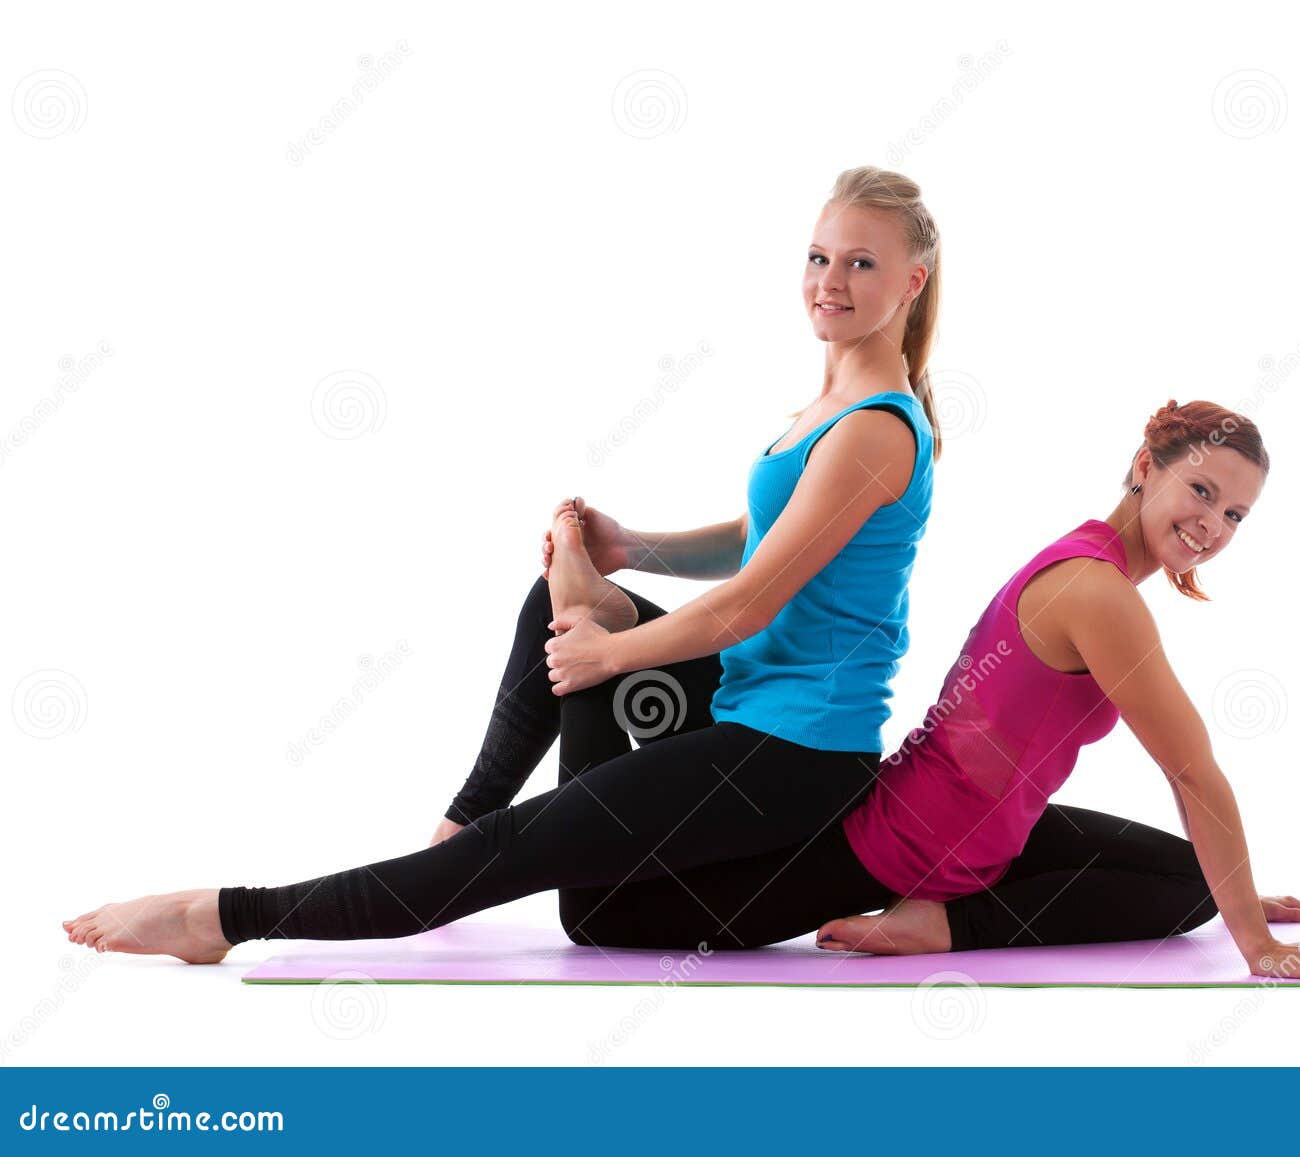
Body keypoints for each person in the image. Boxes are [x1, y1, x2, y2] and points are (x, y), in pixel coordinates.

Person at [60, 165, 945, 963]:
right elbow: (760, 539)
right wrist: (630, 547)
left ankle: (221, 917)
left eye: (860, 264)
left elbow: (751, 598)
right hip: (741, 701)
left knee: (539, 860)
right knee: (597, 899)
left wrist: (608, 652)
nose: (830, 281)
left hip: (794, 753)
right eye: (819, 256)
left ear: (911, 281)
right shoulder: (834, 399)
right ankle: (466, 822)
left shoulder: (873, 426)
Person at [550, 401, 1300, 988]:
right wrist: (1258, 944)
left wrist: (1234, 888)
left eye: (1236, 514)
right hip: (911, 842)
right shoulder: (1099, 593)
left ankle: (946, 913)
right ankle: (586, 633)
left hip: (975, 826)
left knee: (1189, 886)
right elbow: (1194, 771)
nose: (1213, 525)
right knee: (597, 915)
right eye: (1202, 491)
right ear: (1145, 467)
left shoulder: (1091, 560)